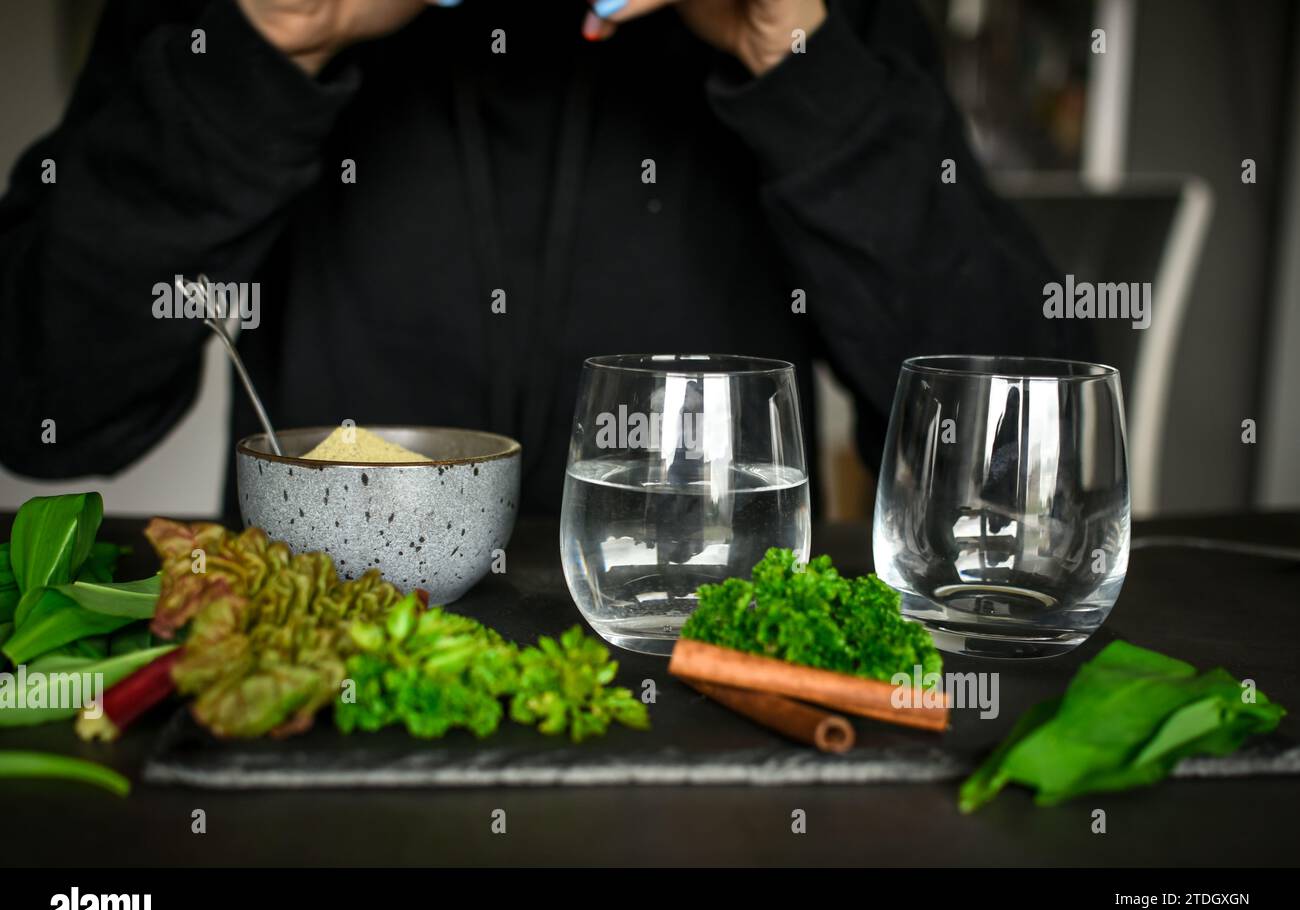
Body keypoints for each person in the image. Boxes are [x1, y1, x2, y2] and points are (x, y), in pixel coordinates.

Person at [0, 0, 1082, 518]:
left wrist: (794, 55)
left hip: (712, 690)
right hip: (316, 676)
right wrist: (269, 39)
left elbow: (1015, 460)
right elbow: (41, 408)